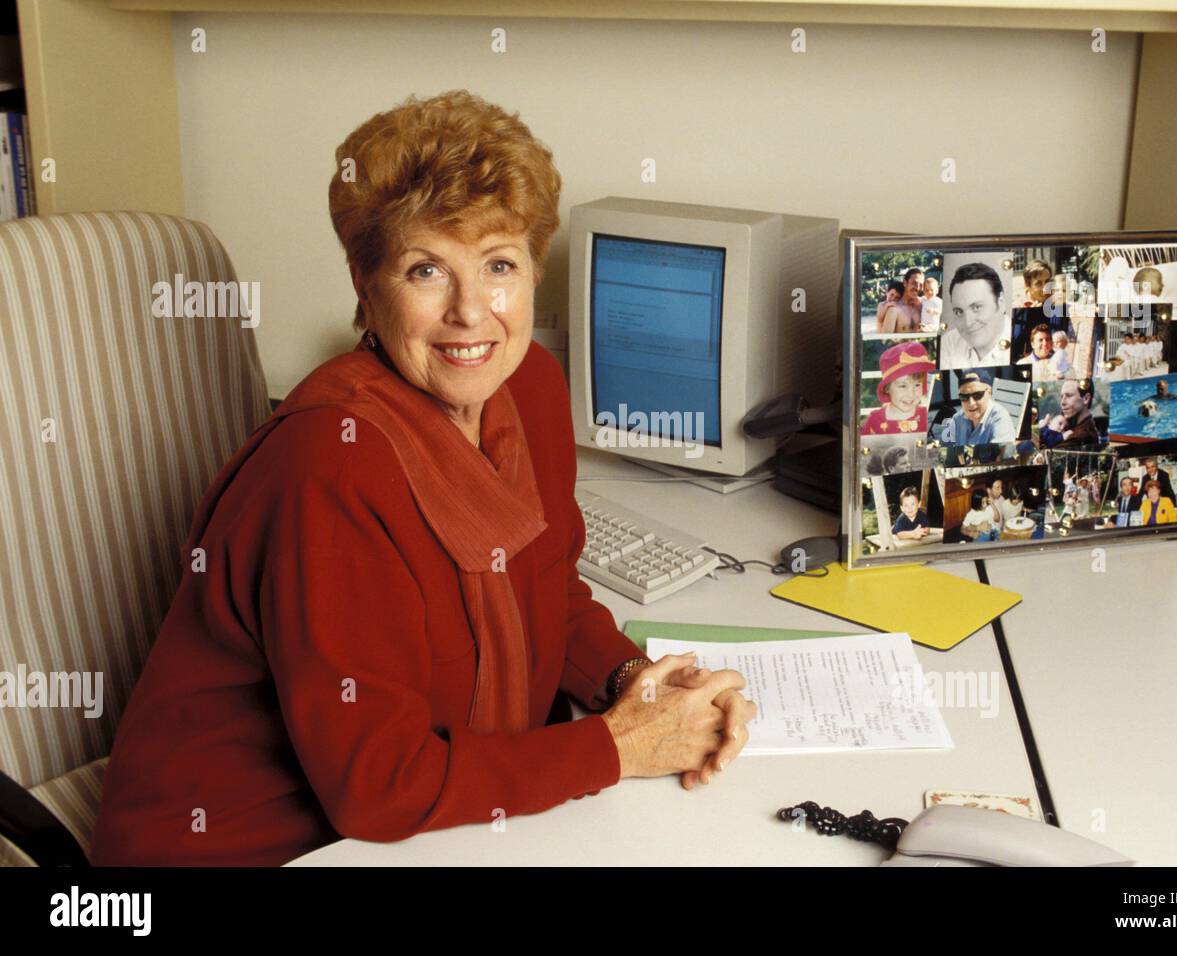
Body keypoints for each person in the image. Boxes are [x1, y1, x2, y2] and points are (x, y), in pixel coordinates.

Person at [90, 91, 756, 867]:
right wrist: (614, 749)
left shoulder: (532, 387)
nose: (471, 312)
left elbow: (550, 593)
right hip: (253, 847)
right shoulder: (328, 465)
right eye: (426, 269)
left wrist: (635, 681)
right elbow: (378, 785)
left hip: (430, 832)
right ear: (367, 287)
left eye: (499, 265)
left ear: (535, 271)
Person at [940, 262, 1012, 368]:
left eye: (976, 307)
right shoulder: (948, 343)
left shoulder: (1026, 345)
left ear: (1001, 303)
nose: (968, 323)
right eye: (959, 312)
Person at [861, 341, 935, 435]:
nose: (911, 394)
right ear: (887, 388)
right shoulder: (874, 421)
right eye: (903, 386)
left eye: (917, 385)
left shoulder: (927, 417)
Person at [944, 367, 1017, 445]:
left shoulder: (1001, 420)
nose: (971, 403)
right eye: (964, 397)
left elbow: (999, 454)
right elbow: (945, 443)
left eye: (977, 395)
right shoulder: (957, 418)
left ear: (989, 392)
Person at [1054, 376, 1100, 447]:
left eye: (1068, 396)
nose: (1062, 402)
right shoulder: (1072, 427)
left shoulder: (1079, 437)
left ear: (1086, 399)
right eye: (1061, 397)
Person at [879, 267, 923, 333]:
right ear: (905, 283)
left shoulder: (921, 306)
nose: (918, 288)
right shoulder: (894, 309)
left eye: (921, 285)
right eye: (914, 283)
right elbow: (885, 340)